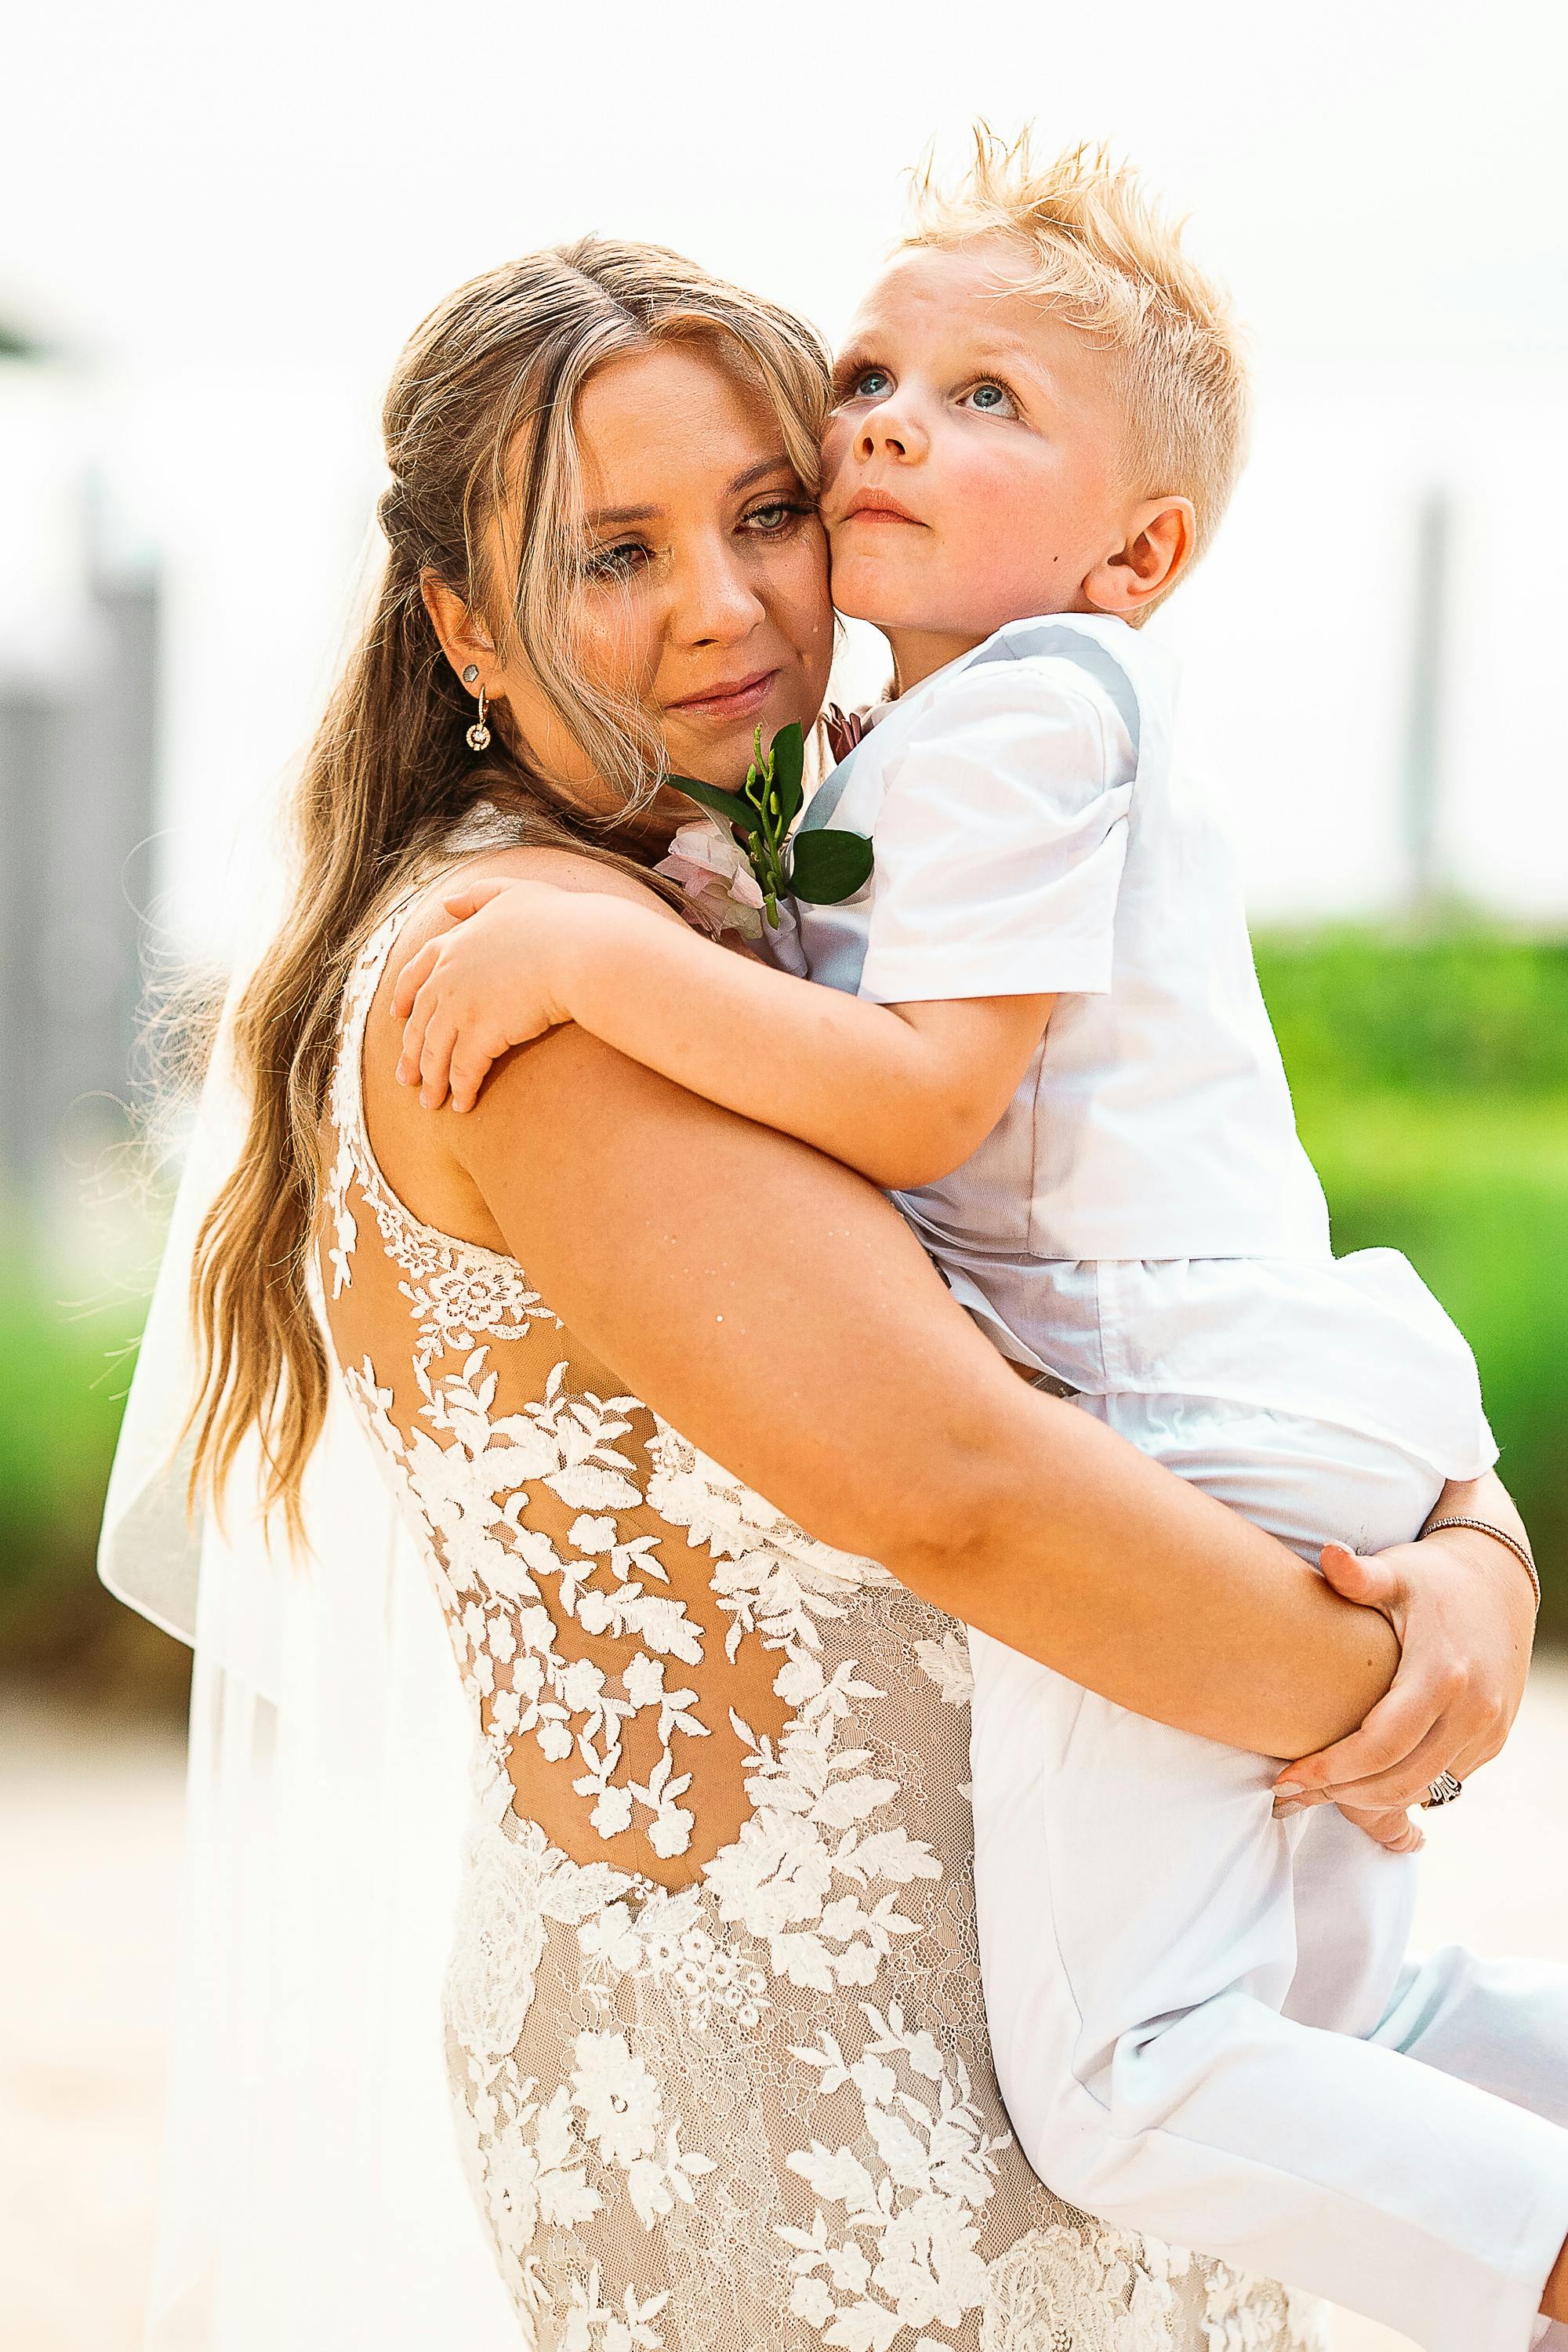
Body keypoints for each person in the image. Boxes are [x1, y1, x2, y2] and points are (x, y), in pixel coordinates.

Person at [103, 232, 1535, 2352]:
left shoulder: (767, 897)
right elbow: (954, 1480)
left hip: (1075, 2004)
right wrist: (1393, 1692)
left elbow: (1144, 1264)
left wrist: (1470, 1547)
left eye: (768, 512)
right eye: (615, 554)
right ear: (461, 626)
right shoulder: (545, 989)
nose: (727, 605)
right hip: (811, 2085)